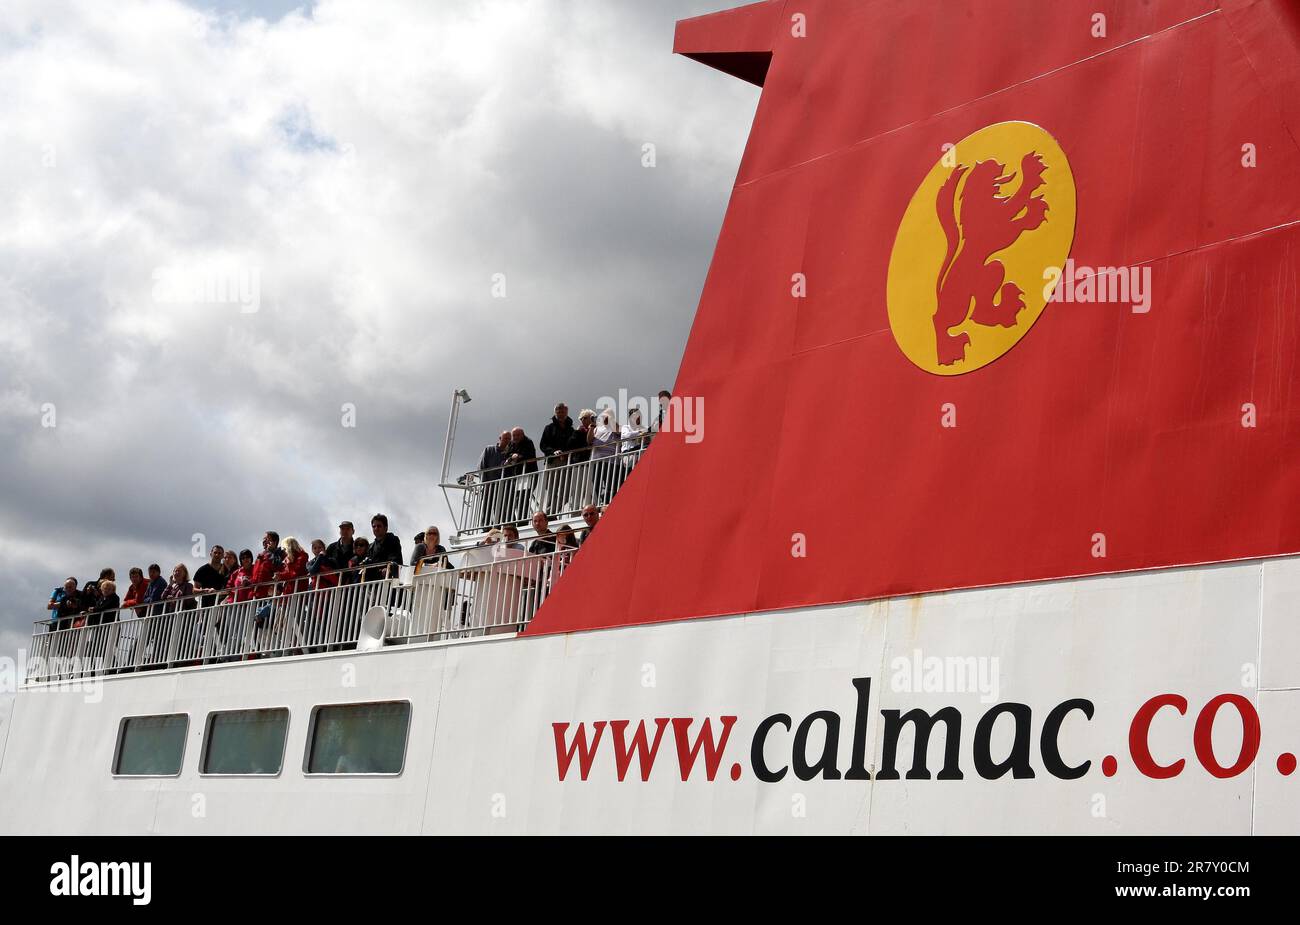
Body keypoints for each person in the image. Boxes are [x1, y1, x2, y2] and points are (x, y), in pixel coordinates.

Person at [503, 426, 539, 522]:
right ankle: (511, 521)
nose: (515, 437)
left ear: (522, 435)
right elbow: (506, 454)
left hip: (528, 475)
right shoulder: (511, 443)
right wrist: (511, 456)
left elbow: (530, 455)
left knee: (523, 499)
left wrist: (518, 456)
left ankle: (522, 522)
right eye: (514, 435)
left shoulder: (528, 442)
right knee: (510, 499)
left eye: (518, 435)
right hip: (516, 476)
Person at [478, 430, 510, 527]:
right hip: (489, 484)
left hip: (502, 485)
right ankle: (485, 526)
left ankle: (498, 526)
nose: (507, 441)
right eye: (505, 439)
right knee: (487, 506)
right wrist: (484, 482)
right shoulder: (489, 450)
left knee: (500, 506)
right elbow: (481, 466)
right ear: (500, 439)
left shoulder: (509, 453)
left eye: (509, 439)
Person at [362, 513, 403, 578]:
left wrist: (388, 569)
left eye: (379, 526)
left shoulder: (393, 540)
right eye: (374, 526)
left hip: (388, 580)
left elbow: (395, 559)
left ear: (386, 528)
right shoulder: (370, 547)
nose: (376, 528)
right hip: (373, 582)